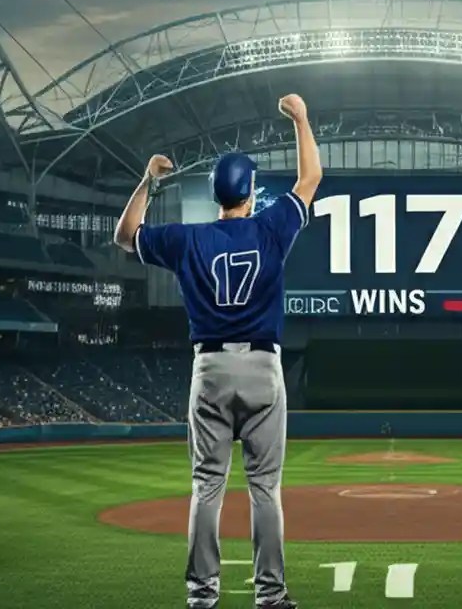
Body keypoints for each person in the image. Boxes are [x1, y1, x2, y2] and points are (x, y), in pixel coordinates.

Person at [114, 93, 320, 609]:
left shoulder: (188, 239)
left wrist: (148, 179)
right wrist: (301, 119)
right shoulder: (271, 229)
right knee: (264, 489)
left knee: (206, 486)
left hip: (207, 369)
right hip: (262, 368)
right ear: (251, 192)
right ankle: (270, 597)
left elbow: (125, 236)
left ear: (215, 195)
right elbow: (309, 180)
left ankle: (202, 596)